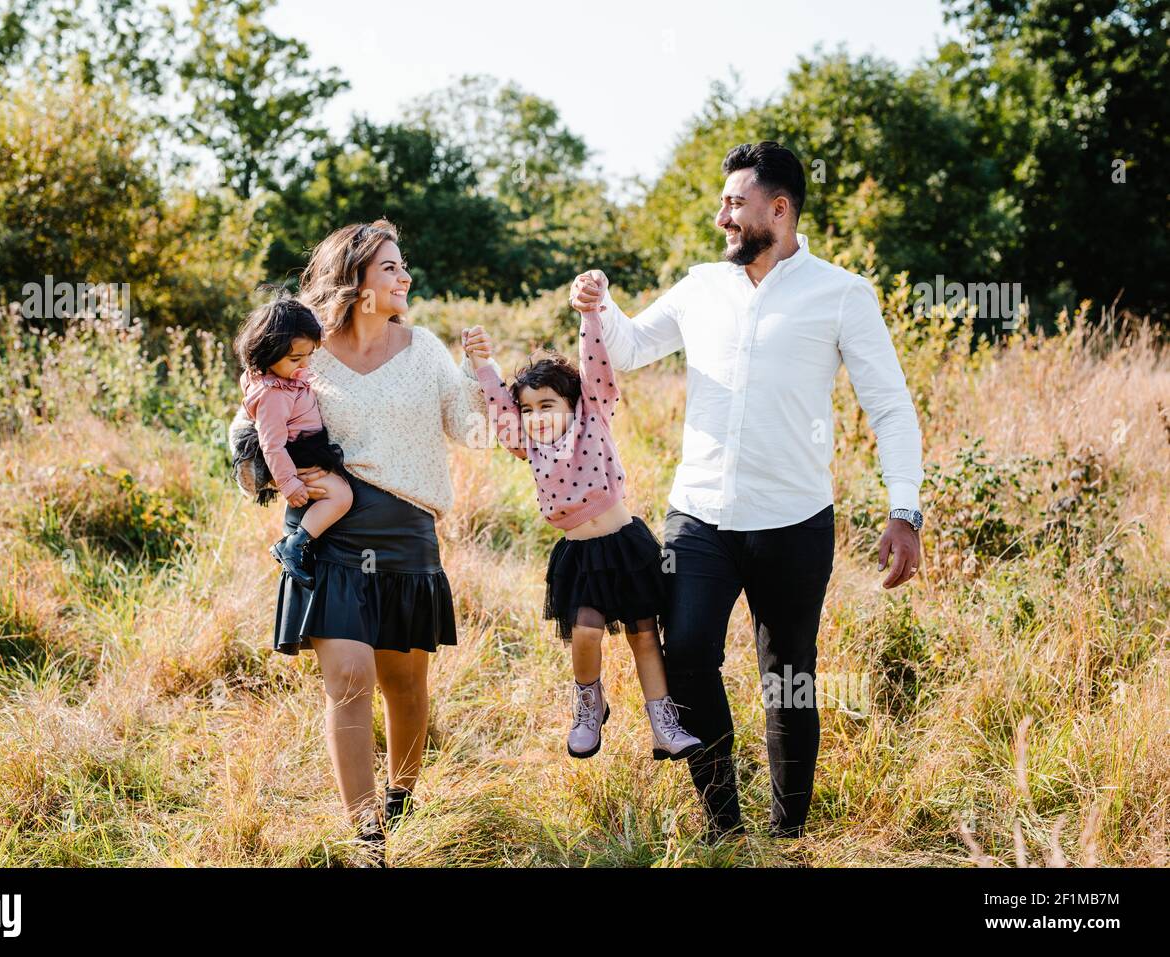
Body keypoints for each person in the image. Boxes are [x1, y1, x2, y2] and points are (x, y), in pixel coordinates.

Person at [569, 141, 925, 841]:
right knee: (689, 653)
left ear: (779, 208)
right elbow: (633, 347)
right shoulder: (701, 285)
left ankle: (788, 835)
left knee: (789, 677)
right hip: (700, 516)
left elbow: (890, 404)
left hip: (794, 521)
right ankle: (724, 825)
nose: (723, 216)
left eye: (735, 203)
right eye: (724, 202)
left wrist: (904, 507)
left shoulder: (841, 292)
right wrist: (600, 303)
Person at [272, 219, 498, 865]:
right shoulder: (304, 352)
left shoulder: (423, 348)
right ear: (357, 282)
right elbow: (252, 424)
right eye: (391, 267)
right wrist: (280, 472)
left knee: (405, 683)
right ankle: (366, 834)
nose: (405, 277)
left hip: (406, 537)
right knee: (349, 677)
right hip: (329, 539)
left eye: (403, 266)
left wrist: (481, 369)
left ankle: (402, 798)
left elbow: (470, 429)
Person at [462, 312, 703, 762]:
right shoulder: (527, 444)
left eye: (547, 405)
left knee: (645, 636)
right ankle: (590, 705)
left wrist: (589, 314)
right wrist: (482, 361)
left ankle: (663, 724)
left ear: (574, 404)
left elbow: (595, 366)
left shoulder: (593, 419)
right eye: (528, 409)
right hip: (579, 556)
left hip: (627, 547)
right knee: (585, 633)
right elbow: (498, 403)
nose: (536, 417)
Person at [229, 288, 352, 590]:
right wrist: (289, 484)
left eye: (309, 355)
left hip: (307, 448)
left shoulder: (285, 377)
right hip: (298, 457)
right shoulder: (272, 394)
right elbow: (272, 443)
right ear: (268, 354)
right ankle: (295, 544)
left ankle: (299, 542)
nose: (305, 365)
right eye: (296, 358)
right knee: (341, 495)